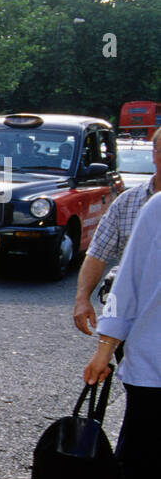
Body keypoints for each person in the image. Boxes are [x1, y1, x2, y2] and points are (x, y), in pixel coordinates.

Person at [83, 182, 161, 479]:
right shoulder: (155, 209)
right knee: (143, 443)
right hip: (154, 355)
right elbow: (127, 284)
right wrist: (104, 348)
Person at [74, 127, 160, 336]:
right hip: (132, 311)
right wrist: (83, 299)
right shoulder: (127, 202)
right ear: (154, 155)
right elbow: (97, 254)